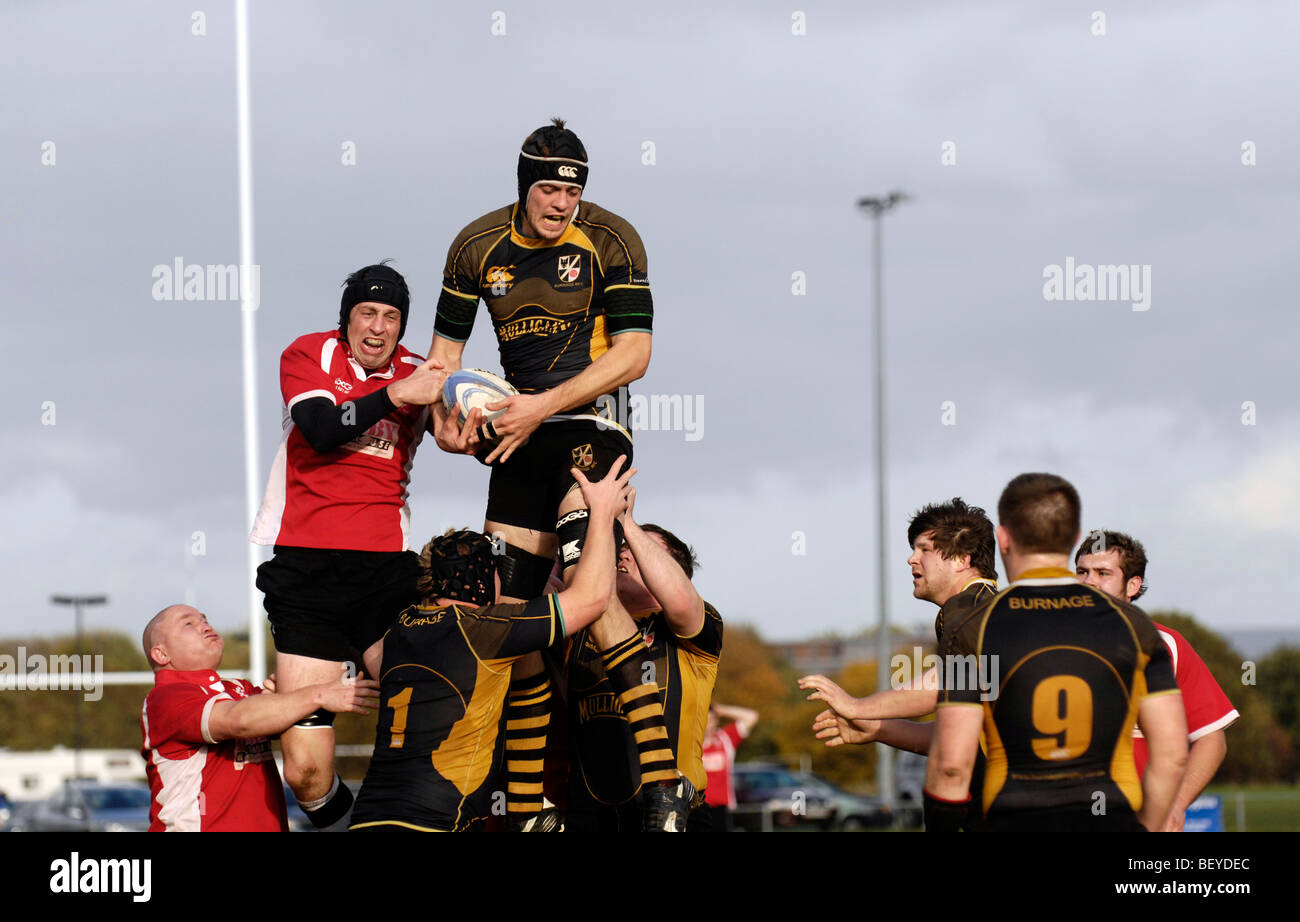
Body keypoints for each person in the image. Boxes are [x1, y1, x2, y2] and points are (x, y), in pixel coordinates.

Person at [428, 119, 685, 828]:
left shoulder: (613, 238)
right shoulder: (476, 247)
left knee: (585, 585)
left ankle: (665, 782)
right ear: (523, 186)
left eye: (572, 191)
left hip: (589, 427)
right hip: (517, 437)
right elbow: (442, 363)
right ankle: (528, 805)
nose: (561, 204)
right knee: (509, 621)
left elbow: (635, 354)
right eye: (548, 189)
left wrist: (541, 405)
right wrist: (443, 424)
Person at [249, 261, 449, 830]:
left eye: (391, 317)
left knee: (432, 703)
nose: (379, 327)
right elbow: (320, 427)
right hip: (306, 575)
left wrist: (475, 418)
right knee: (306, 775)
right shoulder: (309, 354)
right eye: (367, 312)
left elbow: (459, 435)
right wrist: (397, 393)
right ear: (347, 320)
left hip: (385, 573)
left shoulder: (420, 370)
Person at [349, 458, 635, 832]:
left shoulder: (402, 628)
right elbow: (592, 599)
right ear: (486, 580)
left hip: (368, 816)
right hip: (435, 822)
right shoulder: (485, 629)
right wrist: (600, 513)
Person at [925, 473, 1188, 832]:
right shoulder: (1135, 624)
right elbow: (1172, 756)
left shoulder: (970, 627)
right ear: (1076, 539)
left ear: (1003, 538)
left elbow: (951, 765)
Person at [140, 604, 379, 832]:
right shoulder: (165, 697)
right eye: (188, 624)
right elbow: (239, 720)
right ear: (161, 654)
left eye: (204, 619)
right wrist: (317, 694)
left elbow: (282, 716)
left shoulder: (238, 690)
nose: (204, 625)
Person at [564, 495, 723, 832]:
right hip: (589, 817)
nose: (623, 551)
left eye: (637, 549)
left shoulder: (688, 627)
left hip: (676, 814)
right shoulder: (583, 624)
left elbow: (680, 600)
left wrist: (628, 523)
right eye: (620, 545)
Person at [799, 498, 999, 757]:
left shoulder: (967, 608)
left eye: (924, 549)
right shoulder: (987, 605)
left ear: (961, 559)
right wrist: (878, 729)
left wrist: (856, 707)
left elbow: (948, 682)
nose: (911, 559)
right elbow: (961, 738)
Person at [1075, 530, 1238, 831]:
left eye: (1102, 573)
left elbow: (1211, 738)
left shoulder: (1165, 645)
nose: (1089, 582)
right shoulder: (1042, 642)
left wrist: (1175, 804)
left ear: (1132, 585)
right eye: (1082, 572)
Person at [699, 704, 759, 832]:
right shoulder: (691, 743)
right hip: (696, 808)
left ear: (716, 721)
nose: (708, 724)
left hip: (721, 808)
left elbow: (752, 717)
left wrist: (720, 709)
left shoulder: (725, 738)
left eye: (711, 720)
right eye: (705, 720)